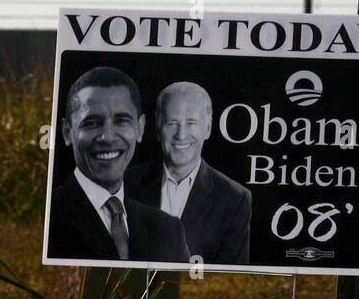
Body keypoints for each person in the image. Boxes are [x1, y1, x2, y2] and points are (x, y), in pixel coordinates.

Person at [47, 66, 190, 264]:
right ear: (66, 132)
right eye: (92, 123)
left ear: (140, 128)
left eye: (122, 121)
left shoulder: (168, 231)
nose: (108, 137)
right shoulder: (49, 219)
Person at [127, 81, 251, 263]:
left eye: (191, 123)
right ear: (158, 127)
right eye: (172, 123)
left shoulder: (235, 199)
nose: (181, 135)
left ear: (207, 128)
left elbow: (231, 276)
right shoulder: (125, 182)